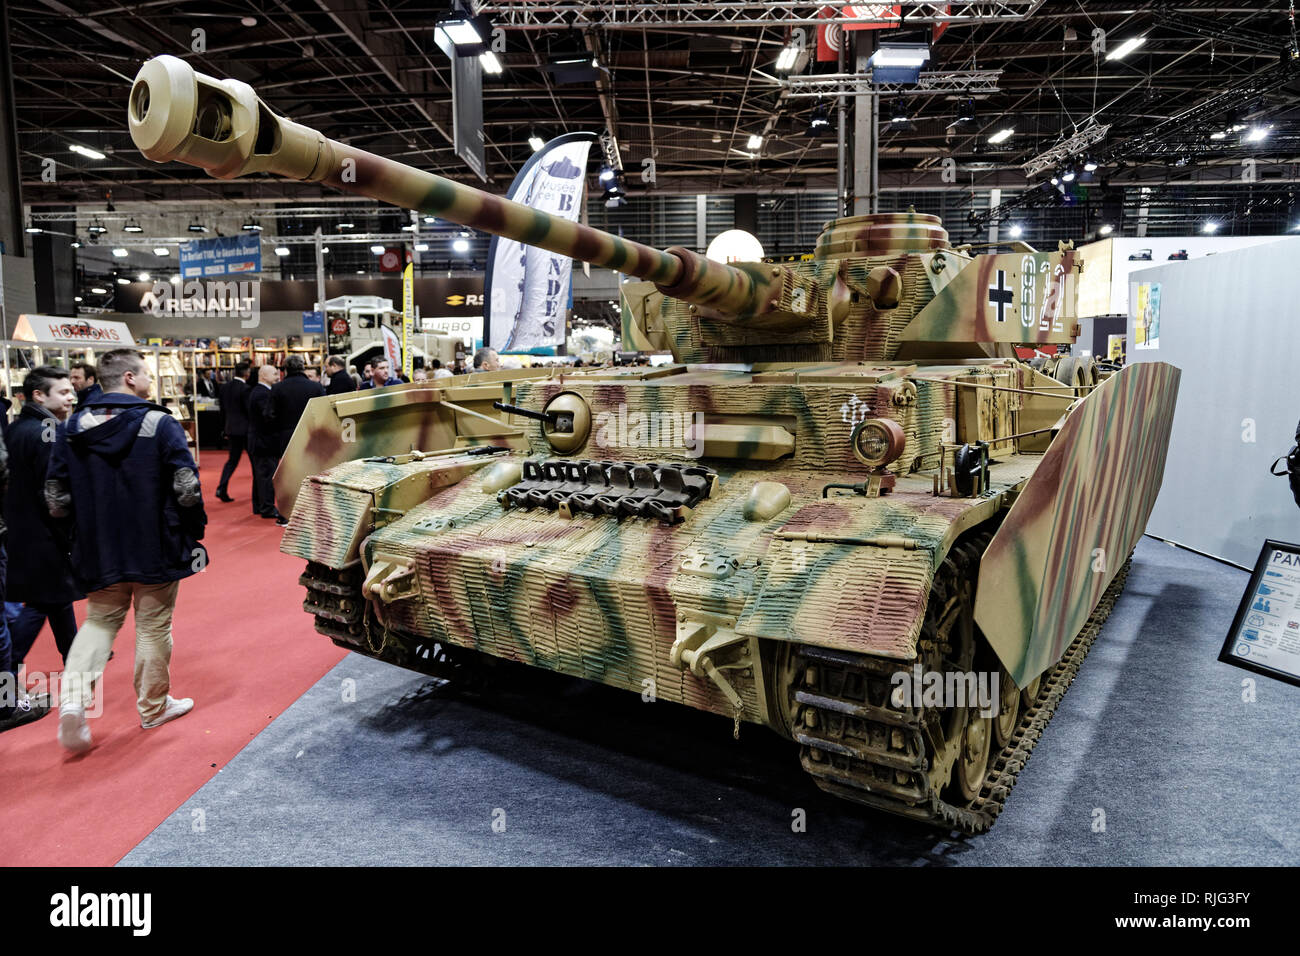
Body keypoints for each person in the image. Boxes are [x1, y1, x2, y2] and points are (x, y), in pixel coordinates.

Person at [47, 349, 206, 752]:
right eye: (146, 374)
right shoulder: (160, 422)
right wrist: (192, 532)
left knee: (98, 623)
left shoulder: (70, 429)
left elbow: (55, 498)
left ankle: (74, 700)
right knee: (153, 626)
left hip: (97, 545)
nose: (150, 380)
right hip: (156, 543)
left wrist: (74, 535)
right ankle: (153, 708)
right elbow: (187, 489)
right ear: (130, 378)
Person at [4, 366, 83, 675]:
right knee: (43, 600)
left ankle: (76, 657)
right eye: (62, 392)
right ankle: (7, 667)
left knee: (55, 597)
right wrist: (70, 533)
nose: (71, 397)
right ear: (39, 395)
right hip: (44, 533)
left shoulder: (14, 428)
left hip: (22, 529)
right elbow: (53, 493)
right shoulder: (47, 433)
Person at [270, 355, 325, 458]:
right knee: (311, 465)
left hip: (286, 435)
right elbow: (323, 411)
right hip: (311, 434)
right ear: (303, 368)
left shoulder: (277, 388)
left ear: (286, 369)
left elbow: (270, 414)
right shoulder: (316, 387)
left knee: (289, 469)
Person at [247, 365, 282, 522]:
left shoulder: (259, 391)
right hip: (264, 442)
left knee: (260, 475)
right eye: (274, 374)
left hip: (259, 441)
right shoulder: (262, 393)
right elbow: (268, 418)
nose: (278, 376)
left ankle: (259, 505)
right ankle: (267, 507)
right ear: (263, 376)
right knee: (267, 475)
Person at [214, 360, 251, 503]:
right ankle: (260, 492)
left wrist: (224, 428)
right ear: (247, 374)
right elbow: (248, 411)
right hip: (246, 430)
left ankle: (221, 487)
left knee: (232, 461)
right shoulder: (246, 389)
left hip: (231, 428)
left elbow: (222, 410)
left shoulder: (224, 388)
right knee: (255, 462)